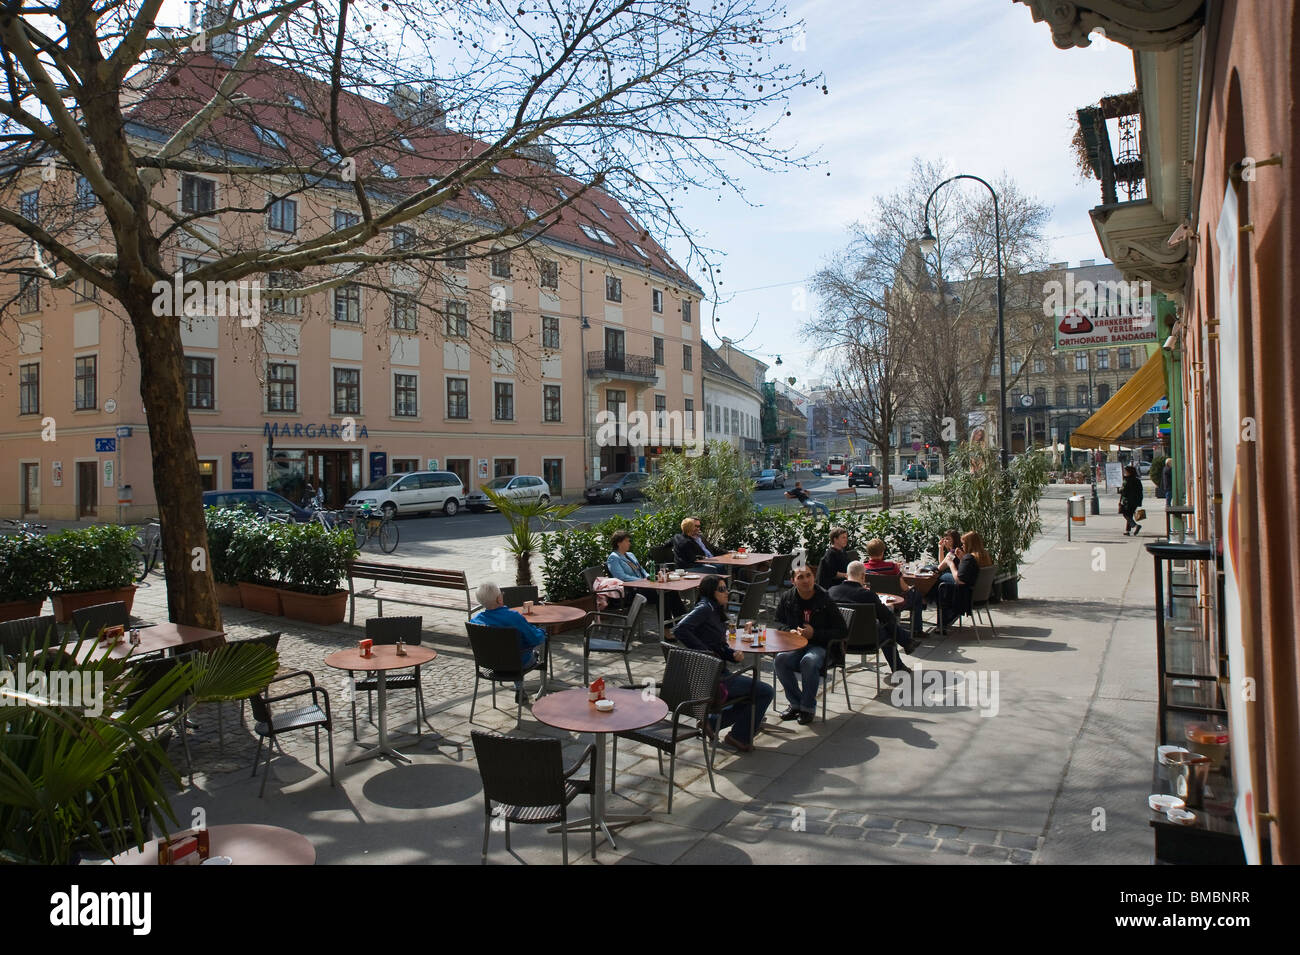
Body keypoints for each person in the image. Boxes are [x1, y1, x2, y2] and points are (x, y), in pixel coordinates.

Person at [672, 576, 775, 753]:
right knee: (765, 691)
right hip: (713, 679)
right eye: (721, 589)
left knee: (754, 694)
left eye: (726, 588)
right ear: (710, 592)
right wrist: (706, 652)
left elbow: (718, 644)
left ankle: (712, 723)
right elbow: (680, 629)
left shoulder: (714, 609)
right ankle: (738, 736)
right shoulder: (705, 608)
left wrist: (731, 655)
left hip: (717, 673)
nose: (727, 592)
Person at [773, 563, 847, 725]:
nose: (806, 580)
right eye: (800, 577)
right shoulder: (788, 598)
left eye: (809, 576)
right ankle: (796, 703)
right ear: (793, 581)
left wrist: (815, 633)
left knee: (809, 661)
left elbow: (842, 631)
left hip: (822, 647)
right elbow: (778, 623)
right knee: (780, 659)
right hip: (796, 645)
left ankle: (807, 708)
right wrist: (789, 631)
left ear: (813, 577)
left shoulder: (825, 599)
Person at [828, 561, 914, 679]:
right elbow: (886, 618)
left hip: (840, 642)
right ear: (863, 576)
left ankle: (906, 643)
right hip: (868, 641)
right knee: (888, 626)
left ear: (847, 575)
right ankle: (902, 652)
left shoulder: (832, 592)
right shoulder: (867, 595)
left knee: (886, 624)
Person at [469, 581, 546, 704]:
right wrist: (543, 631)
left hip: (491, 666)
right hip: (519, 664)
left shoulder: (474, 621)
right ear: (499, 599)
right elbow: (536, 639)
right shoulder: (513, 617)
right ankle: (533, 687)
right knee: (533, 644)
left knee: (510, 652)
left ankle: (520, 689)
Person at [606, 529, 684, 619]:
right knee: (663, 594)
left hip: (644, 585)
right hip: (632, 589)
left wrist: (649, 577)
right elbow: (621, 577)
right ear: (619, 543)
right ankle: (667, 628)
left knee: (671, 591)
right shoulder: (613, 558)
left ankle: (682, 621)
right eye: (627, 541)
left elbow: (641, 569)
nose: (629, 543)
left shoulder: (630, 554)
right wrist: (642, 581)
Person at [861, 537, 924, 639]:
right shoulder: (891, 567)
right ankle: (917, 629)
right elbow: (904, 588)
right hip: (896, 602)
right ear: (882, 552)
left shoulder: (863, 568)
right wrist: (910, 588)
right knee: (917, 594)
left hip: (875, 602)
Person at [934, 531, 991, 632]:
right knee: (943, 581)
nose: (962, 546)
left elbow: (960, 580)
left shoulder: (969, 558)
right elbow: (968, 573)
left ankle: (943, 620)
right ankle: (944, 620)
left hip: (966, 596)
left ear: (970, 544)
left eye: (964, 543)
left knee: (941, 582)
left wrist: (951, 564)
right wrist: (961, 559)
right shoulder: (983, 555)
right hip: (978, 594)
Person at [1119, 464, 1144, 536]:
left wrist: (1120, 490)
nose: (1124, 472)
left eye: (1125, 471)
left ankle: (1136, 526)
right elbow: (1140, 491)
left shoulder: (1126, 480)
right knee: (1129, 515)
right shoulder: (1137, 480)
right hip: (1135, 501)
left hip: (1128, 501)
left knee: (1126, 514)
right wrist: (1139, 501)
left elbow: (1124, 491)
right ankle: (1127, 531)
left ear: (1129, 472)